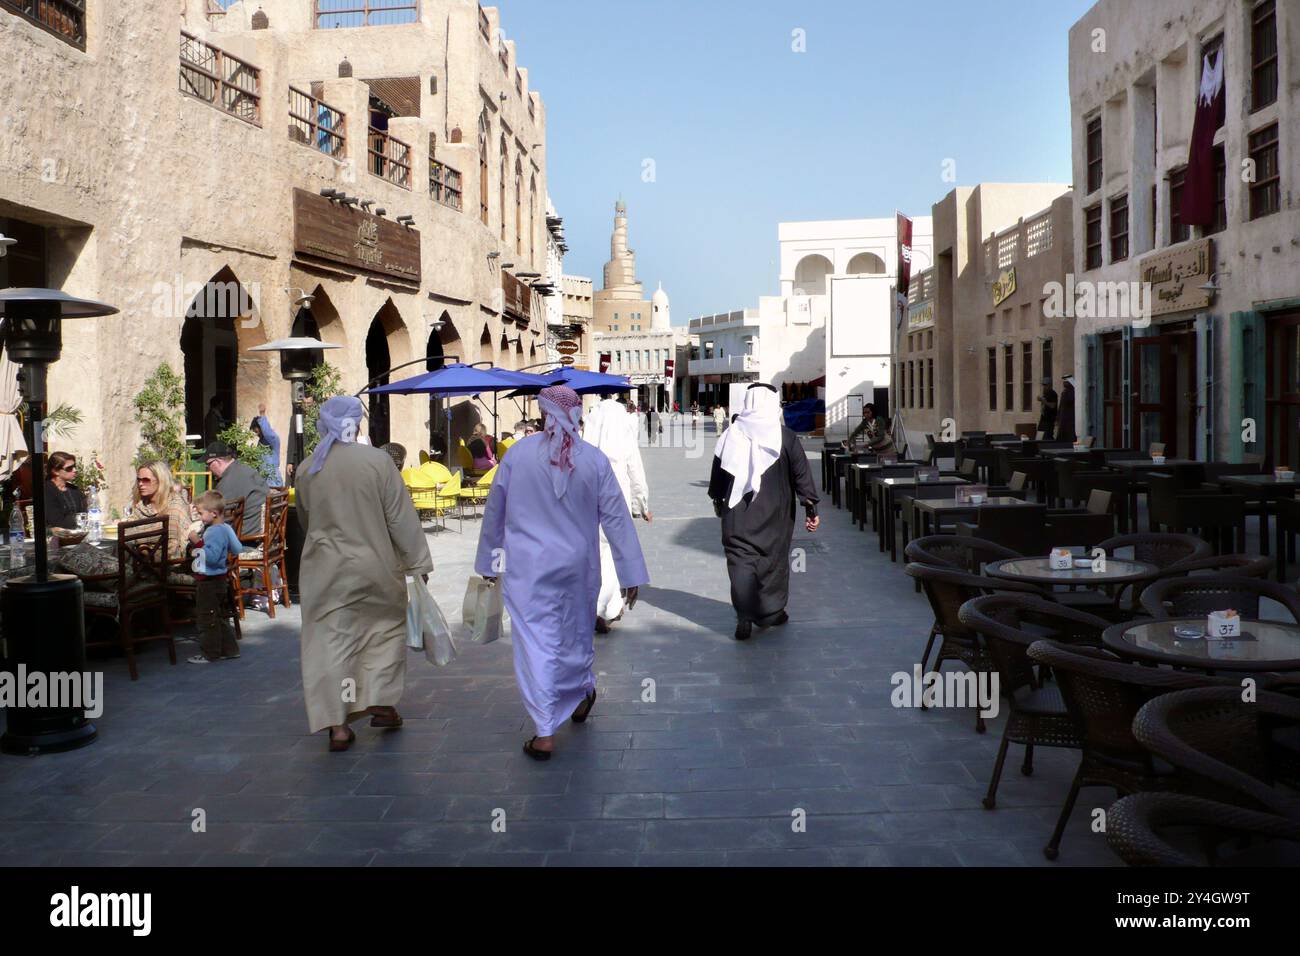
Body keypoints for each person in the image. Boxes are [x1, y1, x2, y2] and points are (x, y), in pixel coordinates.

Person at [475, 384, 649, 760]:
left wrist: (489, 564)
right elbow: (617, 519)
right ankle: (581, 688)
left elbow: (495, 513)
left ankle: (544, 731)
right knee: (574, 636)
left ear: (541, 414)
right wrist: (630, 572)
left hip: (528, 571)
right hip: (578, 567)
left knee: (535, 644)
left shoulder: (517, 456)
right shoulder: (594, 460)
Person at [296, 396, 433, 752]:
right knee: (380, 639)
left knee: (331, 645)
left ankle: (338, 725)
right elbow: (400, 517)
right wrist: (418, 563)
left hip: (324, 571)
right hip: (375, 567)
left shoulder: (309, 467)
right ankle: (383, 705)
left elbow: (306, 520)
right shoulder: (378, 462)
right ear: (357, 424)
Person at [708, 383, 820, 641]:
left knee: (740, 562)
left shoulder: (730, 435)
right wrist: (810, 506)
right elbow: (801, 473)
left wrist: (717, 500)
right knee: (773, 561)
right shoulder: (785, 436)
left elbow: (718, 474)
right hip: (775, 515)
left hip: (737, 514)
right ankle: (771, 612)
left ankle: (744, 614)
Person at [583, 395, 651, 633]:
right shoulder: (624, 434)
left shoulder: (587, 436)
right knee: (612, 554)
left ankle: (594, 607)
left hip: (588, 500)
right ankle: (606, 610)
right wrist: (640, 504)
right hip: (616, 500)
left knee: (594, 553)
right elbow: (635, 469)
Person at [185, 490, 246, 664]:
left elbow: (210, 557)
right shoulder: (226, 528)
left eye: (201, 513)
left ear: (213, 513)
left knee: (206, 618)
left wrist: (197, 542)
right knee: (219, 616)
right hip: (221, 579)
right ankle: (230, 649)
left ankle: (210, 653)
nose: (199, 517)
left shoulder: (212, 532)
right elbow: (237, 548)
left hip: (208, 581)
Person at [132, 460, 197, 562]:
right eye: (138, 480)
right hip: (142, 561)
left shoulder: (174, 507)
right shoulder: (141, 507)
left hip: (162, 567)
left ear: (160, 481)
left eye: (146, 480)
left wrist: (145, 553)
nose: (140, 484)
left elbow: (172, 551)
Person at [204, 441, 268, 538]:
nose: (208, 469)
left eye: (208, 464)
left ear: (218, 461)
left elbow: (216, 518)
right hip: (263, 534)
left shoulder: (227, 482)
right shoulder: (246, 470)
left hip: (245, 540)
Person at [43, 451, 86, 531]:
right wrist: (79, 519)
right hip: (55, 538)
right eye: (69, 468)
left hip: (77, 534)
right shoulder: (46, 490)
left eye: (74, 466)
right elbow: (55, 521)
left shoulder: (74, 490)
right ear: (55, 471)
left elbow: (85, 512)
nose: (75, 470)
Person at [250, 403, 282, 487]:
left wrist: (262, 415)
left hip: (272, 479)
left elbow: (267, 432)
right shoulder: (260, 442)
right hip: (263, 479)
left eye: (256, 431)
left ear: (261, 428)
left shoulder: (273, 439)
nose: (256, 434)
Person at [1056, 373, 1077, 444]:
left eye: (1066, 381)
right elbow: (1061, 406)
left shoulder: (1072, 391)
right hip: (1063, 418)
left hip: (1069, 418)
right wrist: (1058, 417)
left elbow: (1069, 401)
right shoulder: (1065, 391)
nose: (1064, 383)